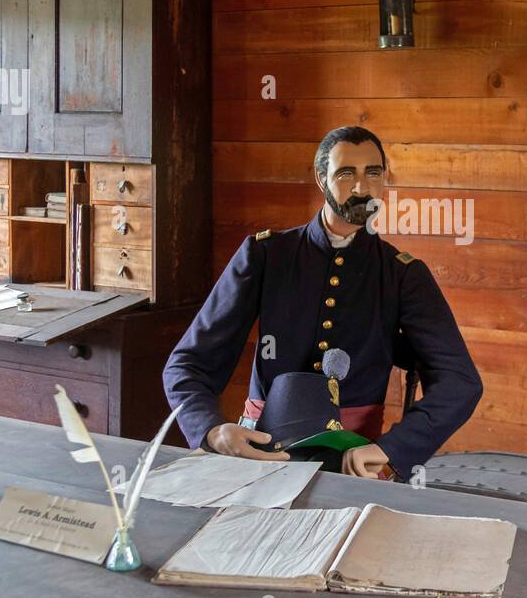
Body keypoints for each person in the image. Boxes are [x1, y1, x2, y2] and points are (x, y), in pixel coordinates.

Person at [162, 126, 483, 481]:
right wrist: (211, 430)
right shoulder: (266, 255)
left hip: (354, 464)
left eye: (373, 173)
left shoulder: (403, 275)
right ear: (321, 179)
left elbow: (460, 382)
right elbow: (187, 364)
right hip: (263, 454)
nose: (362, 187)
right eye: (346, 173)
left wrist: (390, 450)